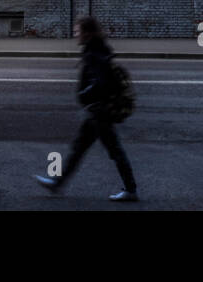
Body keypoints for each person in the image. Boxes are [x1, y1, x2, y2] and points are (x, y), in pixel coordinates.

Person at [34, 16, 138, 202]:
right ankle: (57, 183)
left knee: (113, 151)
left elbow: (101, 83)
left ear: (87, 33)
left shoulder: (94, 53)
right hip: (97, 111)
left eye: (77, 31)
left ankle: (130, 190)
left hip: (100, 112)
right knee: (80, 148)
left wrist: (85, 94)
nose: (75, 35)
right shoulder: (97, 48)